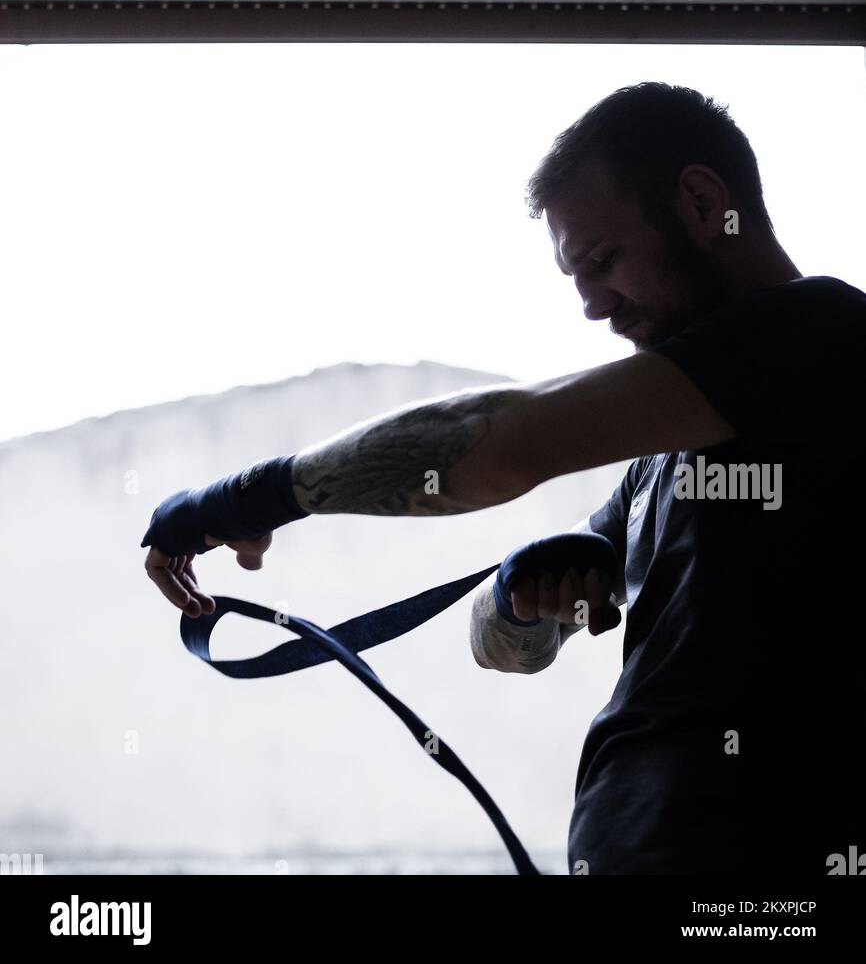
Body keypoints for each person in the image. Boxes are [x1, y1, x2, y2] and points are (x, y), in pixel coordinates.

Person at [143, 82, 865, 876]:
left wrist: (245, 498)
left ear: (701, 202)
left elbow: (501, 446)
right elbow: (507, 650)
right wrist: (521, 599)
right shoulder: (664, 457)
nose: (592, 305)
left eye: (602, 260)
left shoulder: (822, 333)